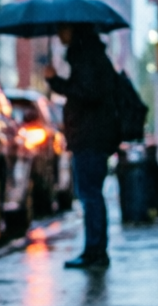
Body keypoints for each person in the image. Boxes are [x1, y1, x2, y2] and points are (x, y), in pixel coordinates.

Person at [45, 25, 120, 269]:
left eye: (62, 28)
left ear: (75, 30)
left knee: (90, 195)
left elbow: (86, 93)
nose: (59, 33)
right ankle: (95, 250)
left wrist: (55, 81)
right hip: (92, 135)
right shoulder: (91, 56)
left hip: (90, 136)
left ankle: (95, 251)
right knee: (91, 194)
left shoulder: (86, 58)